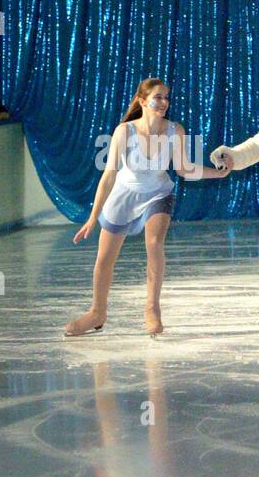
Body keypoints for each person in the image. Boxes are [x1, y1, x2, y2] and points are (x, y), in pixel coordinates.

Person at [64, 78, 229, 337]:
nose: (164, 102)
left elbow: (183, 169)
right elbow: (109, 175)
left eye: (166, 97)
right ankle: (97, 312)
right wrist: (93, 217)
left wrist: (217, 174)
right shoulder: (124, 131)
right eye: (158, 97)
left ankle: (152, 308)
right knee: (104, 259)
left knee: (154, 244)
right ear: (142, 101)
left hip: (158, 194)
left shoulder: (176, 130)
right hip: (123, 195)